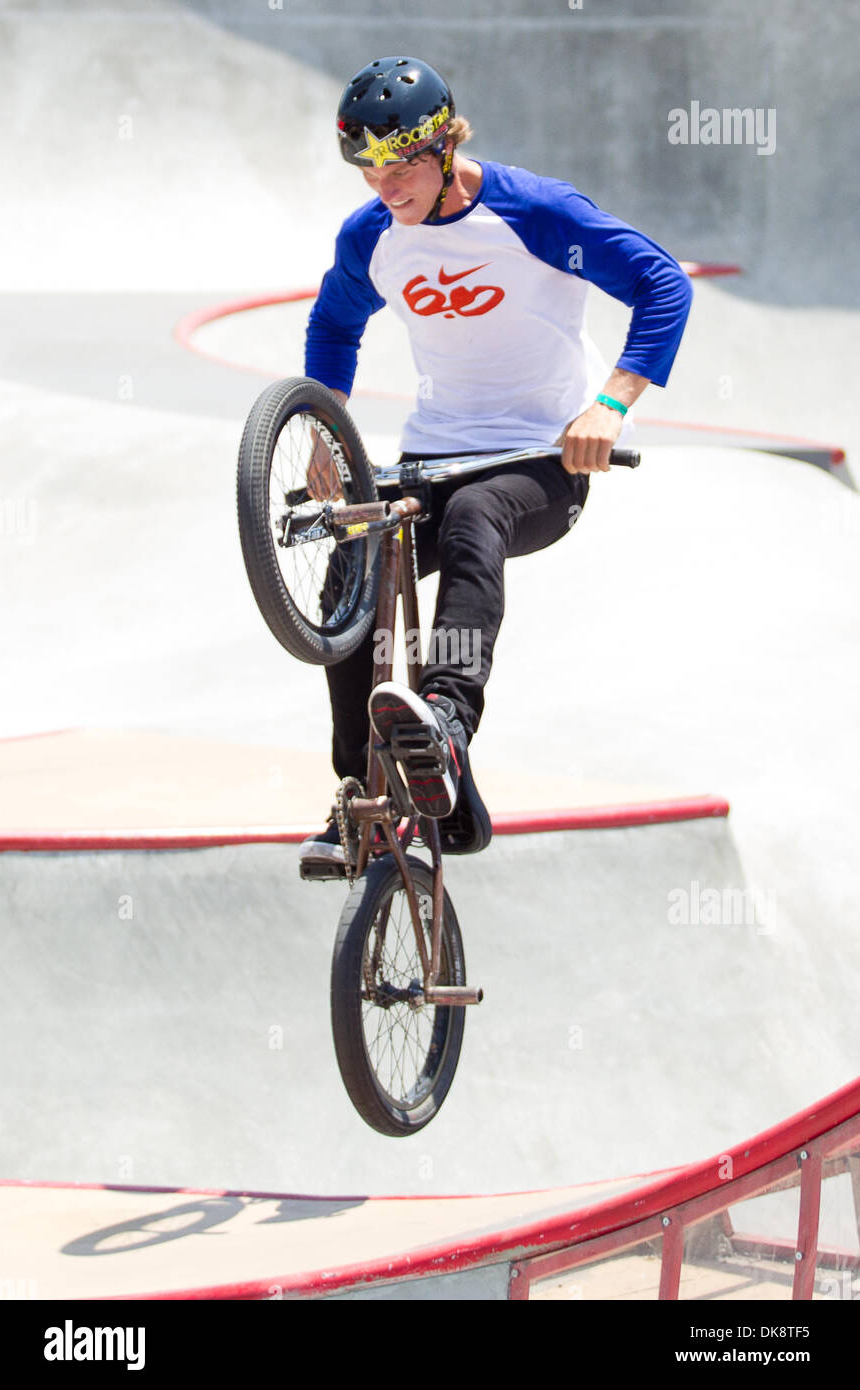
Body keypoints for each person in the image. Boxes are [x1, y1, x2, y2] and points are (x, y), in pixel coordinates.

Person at [299, 55, 692, 874]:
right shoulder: (372, 235)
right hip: (434, 453)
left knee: (480, 520)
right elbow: (334, 328)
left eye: (401, 163)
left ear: (444, 146)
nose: (385, 185)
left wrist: (608, 406)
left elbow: (662, 285)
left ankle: (445, 718)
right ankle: (360, 792)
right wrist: (324, 437)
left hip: (539, 460)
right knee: (352, 571)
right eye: (368, 167)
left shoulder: (535, 212)